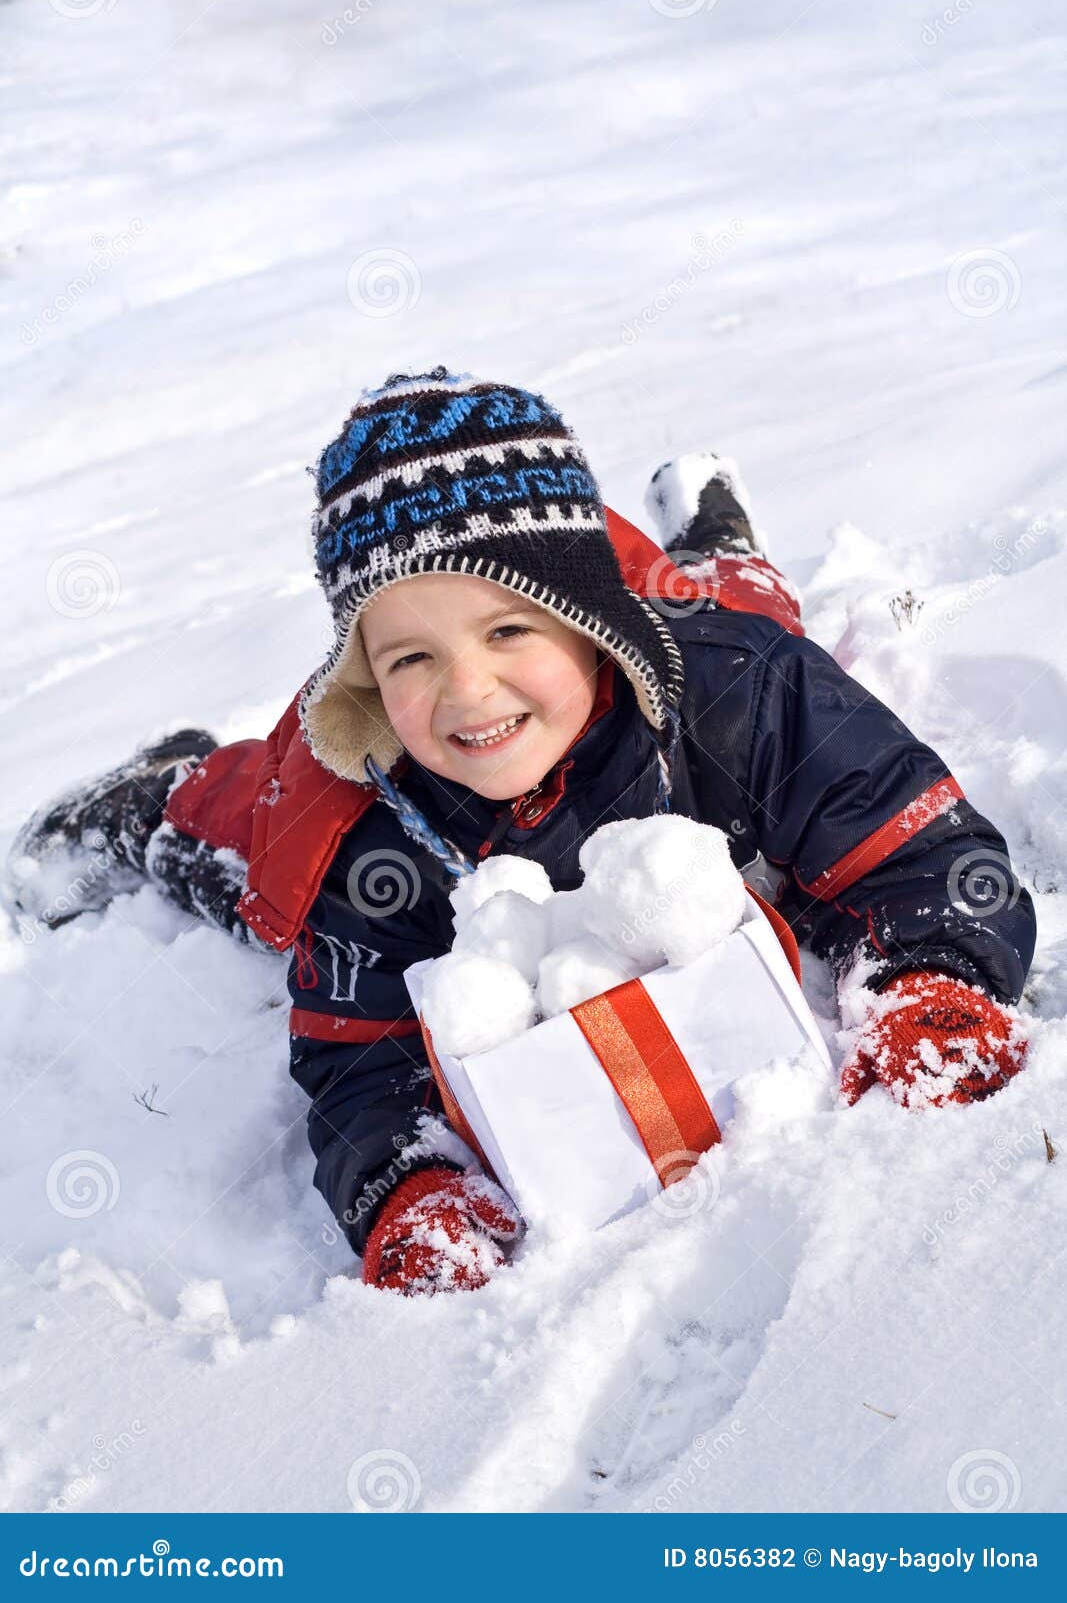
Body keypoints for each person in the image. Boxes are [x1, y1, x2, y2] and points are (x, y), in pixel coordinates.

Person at [5, 368, 1035, 1297]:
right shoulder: (366, 826)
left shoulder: (738, 691)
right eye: (407, 657)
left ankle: (716, 553)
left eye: (507, 630)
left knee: (740, 626)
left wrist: (932, 980)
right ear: (366, 669)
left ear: (589, 623)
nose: (463, 688)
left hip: (672, 638)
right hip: (317, 784)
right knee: (261, 848)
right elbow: (356, 1064)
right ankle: (157, 799)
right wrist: (408, 1188)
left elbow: (924, 854)